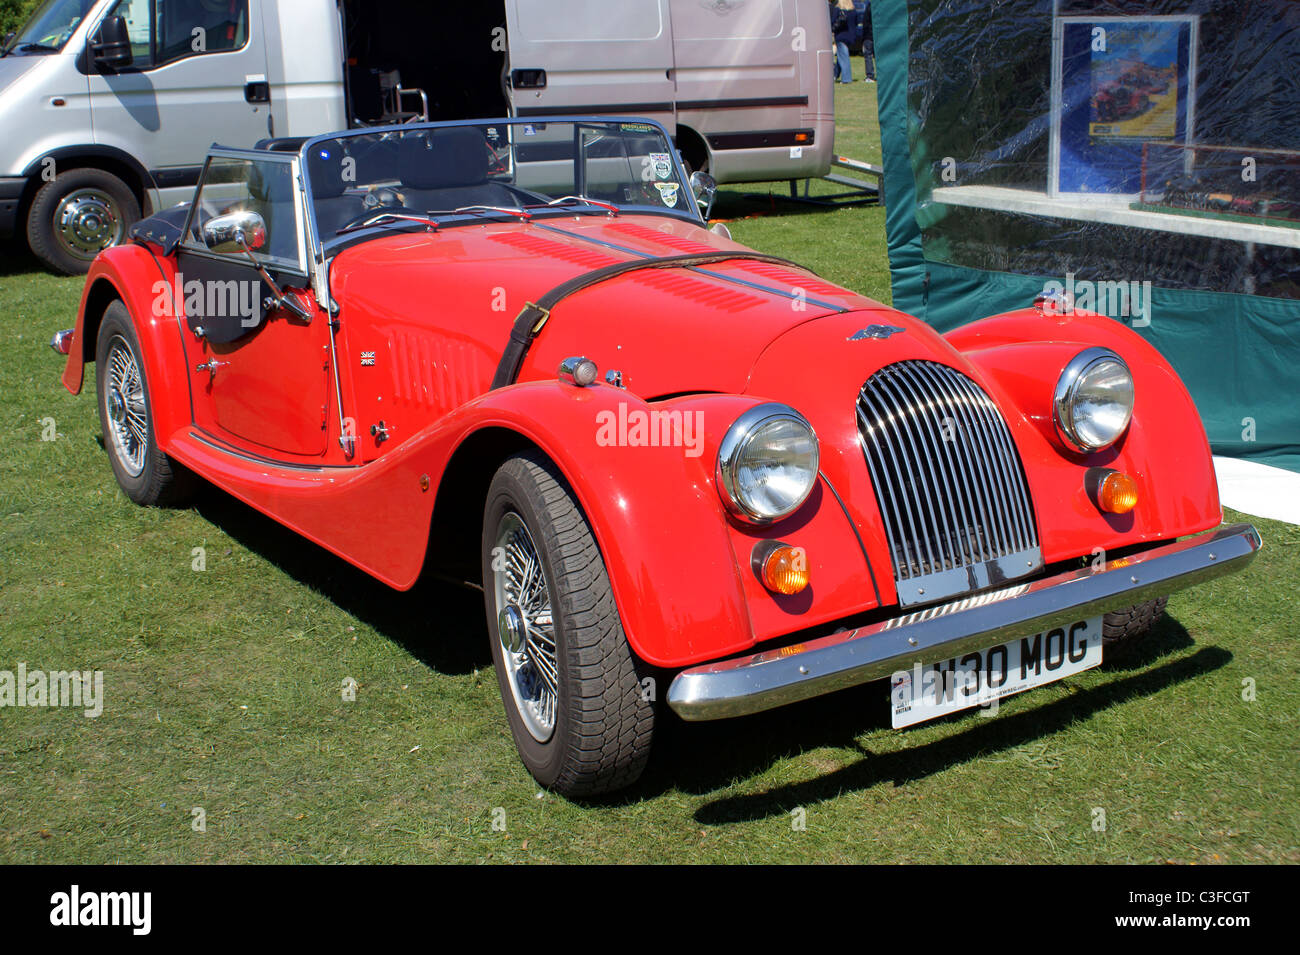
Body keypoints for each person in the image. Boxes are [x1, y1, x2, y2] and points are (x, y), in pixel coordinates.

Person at [830, 0, 855, 84]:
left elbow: (833, 21)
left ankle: (846, 79)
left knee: (844, 58)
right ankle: (834, 75)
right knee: (841, 56)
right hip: (851, 37)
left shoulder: (838, 9)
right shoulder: (853, 10)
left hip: (841, 36)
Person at [857, 1, 875, 82]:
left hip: (869, 35)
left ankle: (870, 75)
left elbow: (866, 22)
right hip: (876, 34)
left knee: (868, 55)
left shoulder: (869, 7)